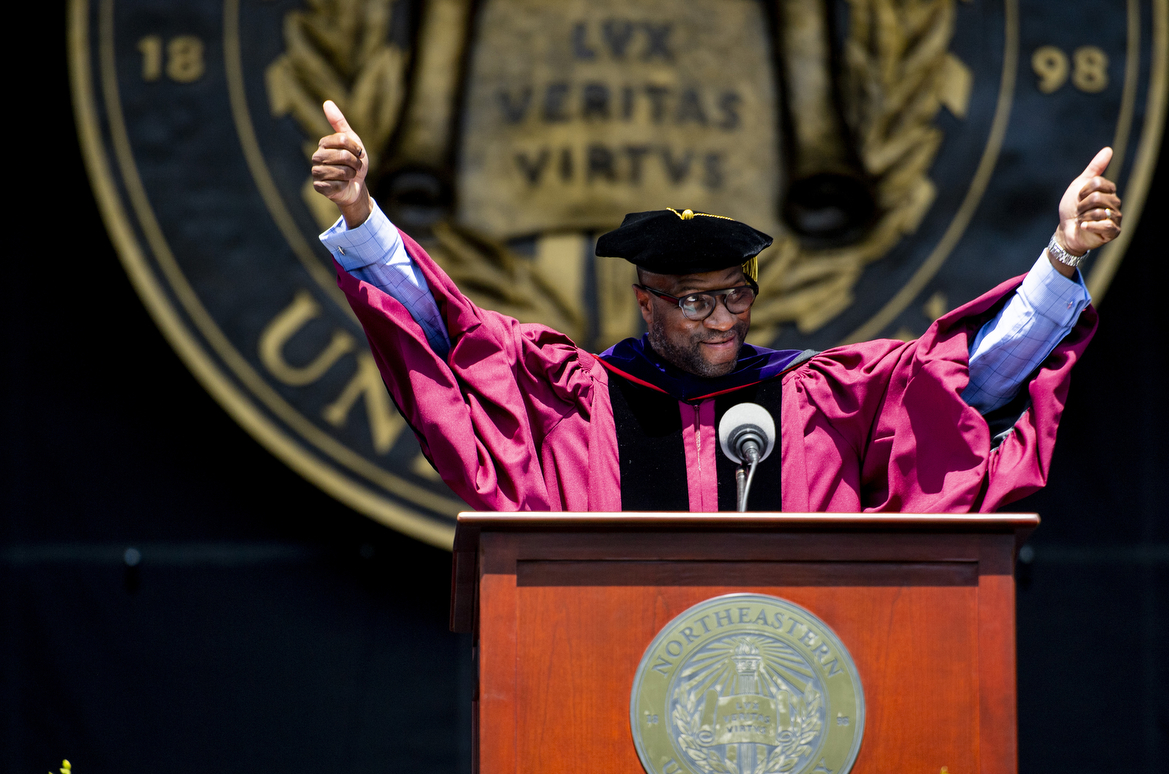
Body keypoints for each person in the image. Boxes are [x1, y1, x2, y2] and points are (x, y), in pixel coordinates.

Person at [310, 101, 1119, 512]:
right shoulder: (574, 399)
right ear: (646, 304)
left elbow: (968, 380)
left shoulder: (823, 397)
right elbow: (448, 336)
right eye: (696, 303)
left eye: (737, 295)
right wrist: (361, 213)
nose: (725, 319)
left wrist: (1061, 256)